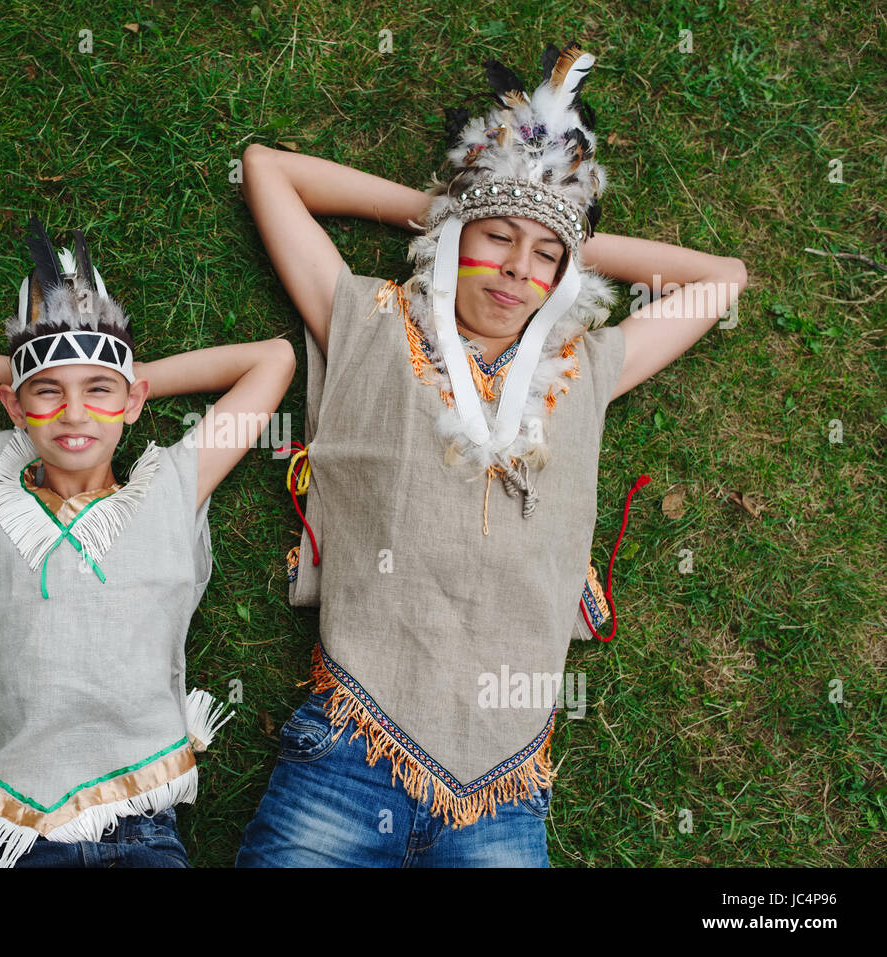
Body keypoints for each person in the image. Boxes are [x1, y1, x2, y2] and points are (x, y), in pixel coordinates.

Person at [234, 42, 747, 867]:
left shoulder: (582, 368)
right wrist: (444, 207)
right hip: (349, 748)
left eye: (544, 258)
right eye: (496, 239)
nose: (516, 268)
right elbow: (266, 171)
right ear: (452, 240)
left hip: (502, 785)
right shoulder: (370, 325)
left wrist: (561, 233)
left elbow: (722, 278)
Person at [0, 218, 295, 867]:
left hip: (138, 827)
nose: (74, 412)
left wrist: (121, 372)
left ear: (133, 398)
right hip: (16, 831)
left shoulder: (173, 483)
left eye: (98, 391)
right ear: (15, 405)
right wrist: (30, 370)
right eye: (47, 394)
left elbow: (273, 360)